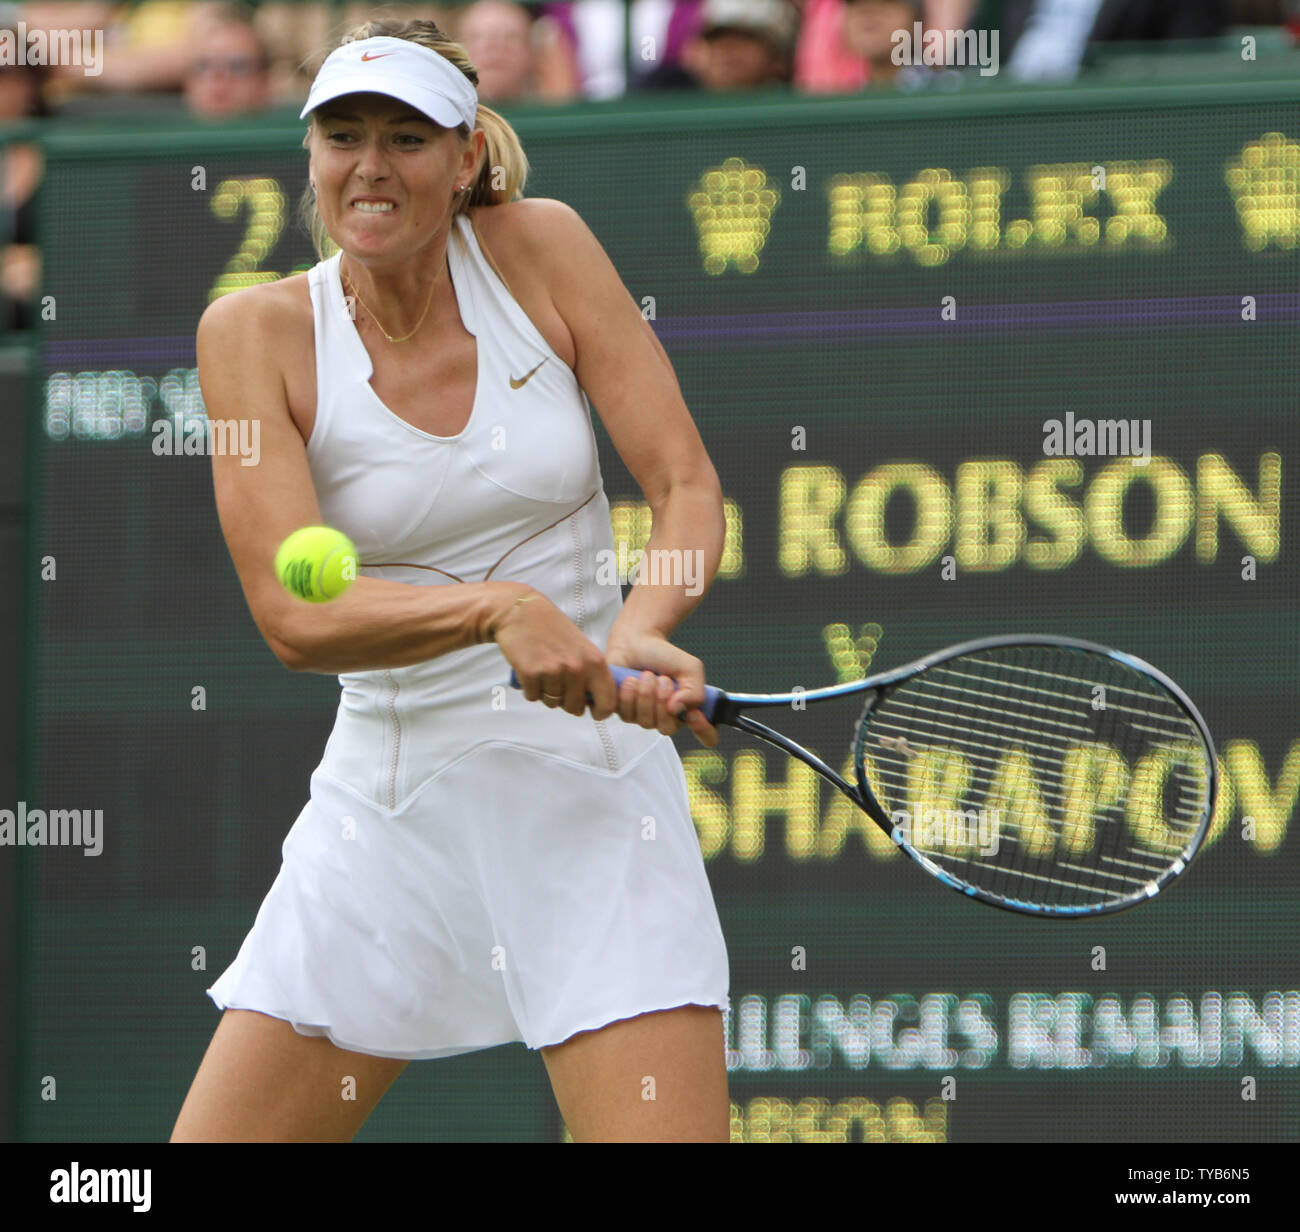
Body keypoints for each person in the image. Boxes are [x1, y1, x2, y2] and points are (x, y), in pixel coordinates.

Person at [169, 15, 732, 1143]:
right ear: (312, 154)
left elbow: (684, 487)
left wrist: (641, 626)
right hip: (386, 818)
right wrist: (497, 610)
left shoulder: (544, 248)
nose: (369, 166)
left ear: (467, 154)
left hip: (593, 802)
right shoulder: (252, 334)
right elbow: (292, 614)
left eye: (405, 138)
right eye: (342, 136)